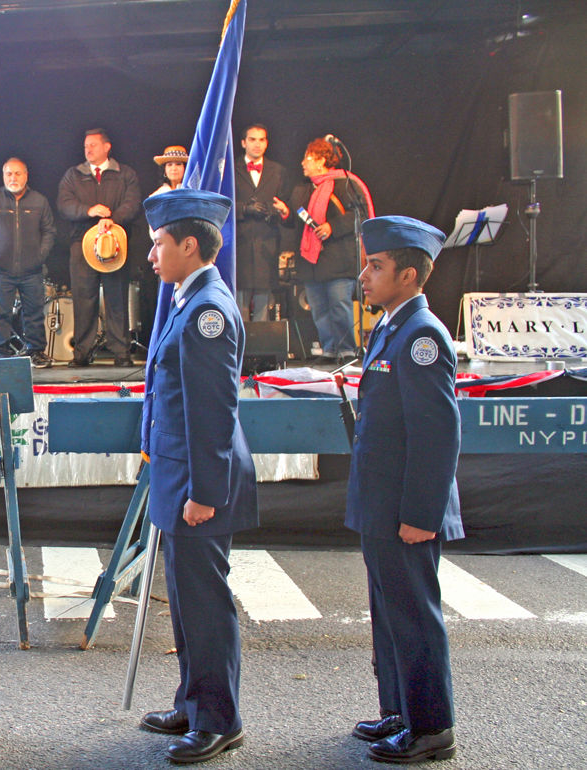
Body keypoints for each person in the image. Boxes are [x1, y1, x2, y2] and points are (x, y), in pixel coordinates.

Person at [139, 189, 259, 765]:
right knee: (186, 604)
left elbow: (213, 412)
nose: (151, 254)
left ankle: (219, 719)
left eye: (159, 243)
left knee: (206, 605)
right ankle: (193, 704)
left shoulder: (208, 310)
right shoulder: (191, 300)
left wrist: (204, 494)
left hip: (199, 483)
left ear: (190, 245)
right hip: (180, 476)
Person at [348, 215, 462, 763]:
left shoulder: (421, 336)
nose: (365, 276)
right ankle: (399, 711)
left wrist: (422, 513)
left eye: (377, 266)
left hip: (405, 508)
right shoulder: (391, 325)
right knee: (390, 612)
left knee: (414, 616)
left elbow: (437, 433)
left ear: (411, 275)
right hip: (382, 500)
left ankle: (430, 727)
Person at [282, 137, 373, 362]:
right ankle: (330, 349)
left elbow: (360, 216)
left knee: (339, 306)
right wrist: (285, 213)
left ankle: (347, 350)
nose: (303, 163)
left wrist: (332, 226)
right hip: (312, 262)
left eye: (308, 158)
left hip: (339, 260)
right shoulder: (303, 190)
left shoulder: (345, 184)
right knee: (319, 308)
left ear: (322, 160)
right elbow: (296, 221)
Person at [57, 128, 141, 366]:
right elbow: (64, 204)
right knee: (84, 300)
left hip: (115, 245)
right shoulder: (73, 175)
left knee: (116, 299)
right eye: (86, 146)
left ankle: (121, 352)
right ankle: (82, 353)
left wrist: (114, 219)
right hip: (81, 246)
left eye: (93, 145)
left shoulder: (125, 174)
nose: (88, 149)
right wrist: (88, 211)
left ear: (107, 147)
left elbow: (133, 203)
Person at [0, 157, 57, 368]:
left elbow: (49, 231)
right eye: (9, 174)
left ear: (26, 175)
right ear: (3, 176)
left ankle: (36, 352)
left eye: (17, 173)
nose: (13, 178)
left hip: (32, 269)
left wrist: (41, 255)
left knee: (34, 312)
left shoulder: (39, 201)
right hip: (1, 268)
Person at [233, 125, 290, 322]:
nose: (257, 144)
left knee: (264, 298)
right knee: (239, 297)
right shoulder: (232, 168)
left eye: (262, 140)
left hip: (266, 242)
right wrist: (244, 208)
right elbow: (222, 203)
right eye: (252, 139)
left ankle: (262, 347)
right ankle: (242, 347)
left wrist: (270, 211)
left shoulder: (278, 171)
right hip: (241, 242)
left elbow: (285, 205)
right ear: (243, 143)